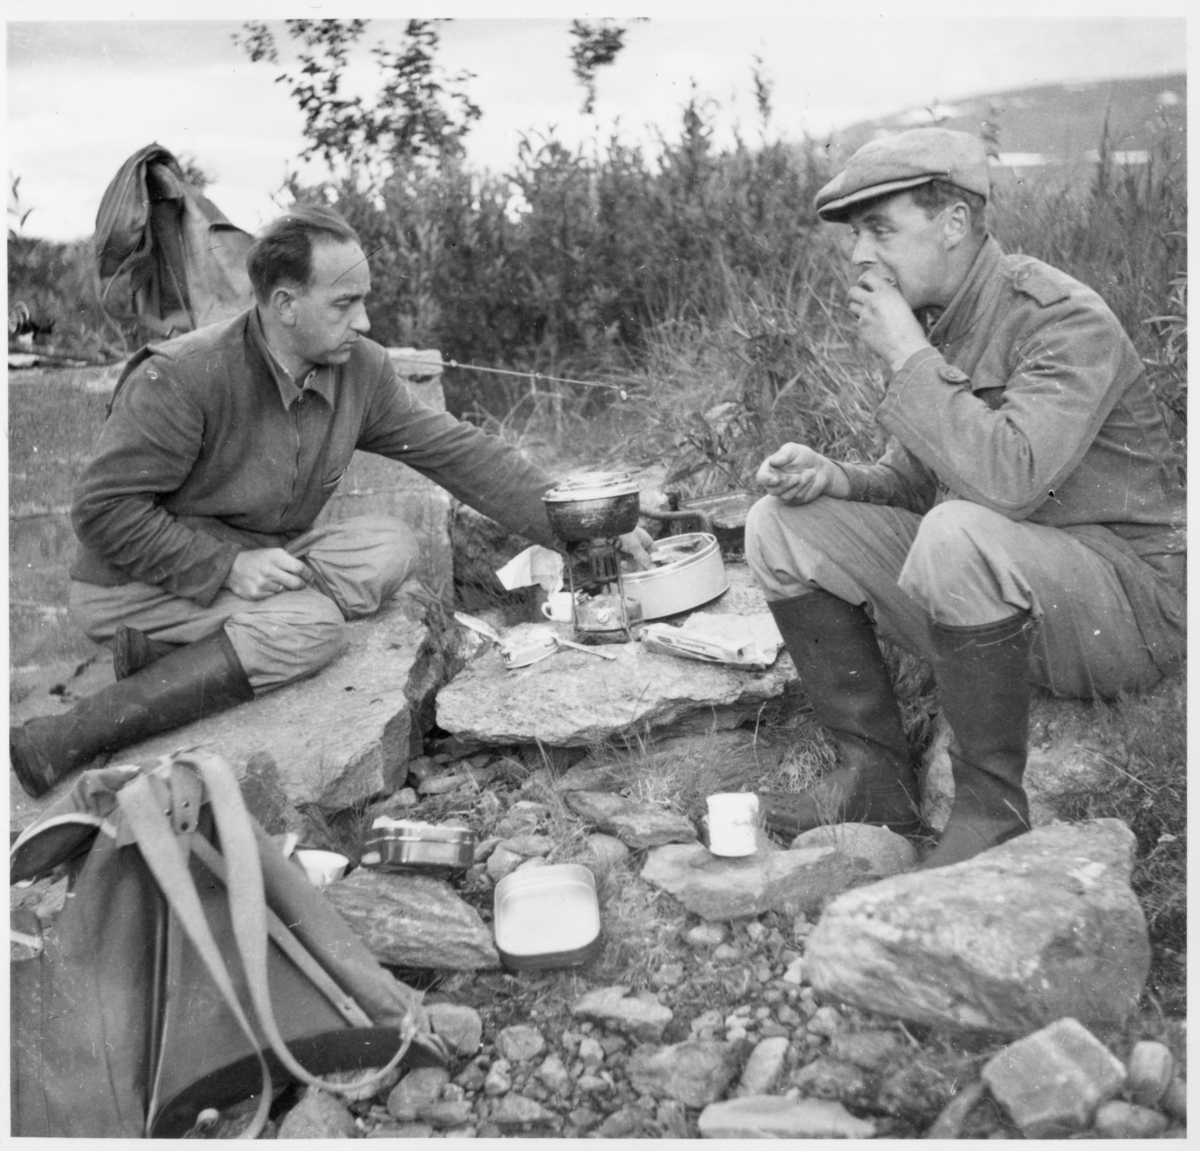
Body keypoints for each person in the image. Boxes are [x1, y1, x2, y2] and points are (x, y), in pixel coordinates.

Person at [11, 204, 650, 799]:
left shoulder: (359, 370)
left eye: (364, 301)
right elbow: (102, 514)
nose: (365, 322)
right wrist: (229, 570)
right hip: (133, 582)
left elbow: (458, 452)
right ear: (285, 304)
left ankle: (191, 649)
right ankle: (74, 732)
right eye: (345, 304)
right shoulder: (182, 377)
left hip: (259, 555)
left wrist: (581, 525)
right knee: (313, 629)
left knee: (389, 547)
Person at [745, 128, 1185, 869]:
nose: (860, 255)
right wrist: (835, 479)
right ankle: (875, 779)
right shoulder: (941, 320)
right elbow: (919, 484)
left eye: (880, 229)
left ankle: (990, 813)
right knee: (778, 525)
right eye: (856, 235)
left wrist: (907, 358)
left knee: (956, 533)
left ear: (953, 222)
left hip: (1127, 604)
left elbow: (1011, 480)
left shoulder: (1060, 318)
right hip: (1006, 596)